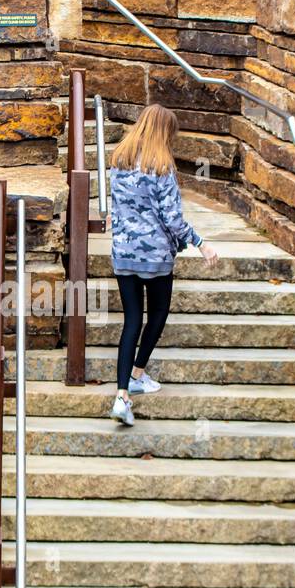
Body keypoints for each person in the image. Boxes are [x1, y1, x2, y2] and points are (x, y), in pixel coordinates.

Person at [107, 103, 218, 426]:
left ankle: (122, 394)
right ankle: (139, 373)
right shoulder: (161, 167)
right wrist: (200, 243)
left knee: (131, 322)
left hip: (123, 254)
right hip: (154, 257)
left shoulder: (118, 161)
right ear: (163, 133)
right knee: (156, 314)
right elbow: (172, 219)